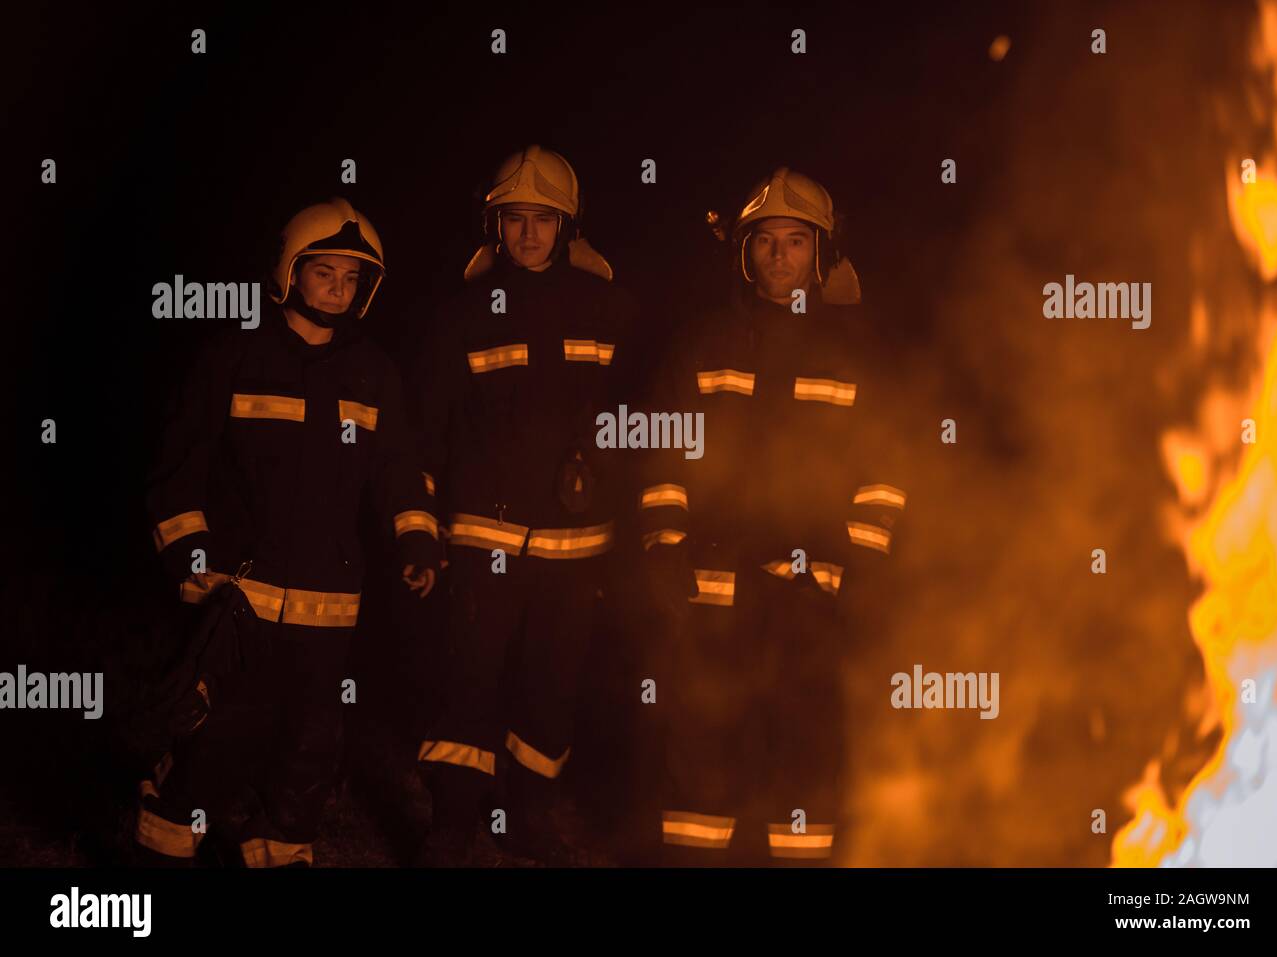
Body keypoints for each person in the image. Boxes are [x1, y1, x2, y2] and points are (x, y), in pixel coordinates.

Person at [136, 198, 438, 867]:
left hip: (329, 603)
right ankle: (160, 851)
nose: (337, 287)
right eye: (323, 271)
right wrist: (189, 552)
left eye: (351, 277)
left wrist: (416, 539)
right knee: (216, 735)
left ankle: (279, 852)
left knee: (310, 743)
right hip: (237, 595)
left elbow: (399, 471)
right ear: (289, 273)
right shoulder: (234, 355)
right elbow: (179, 464)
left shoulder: (375, 374)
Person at [638, 168, 910, 864]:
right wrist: (665, 546)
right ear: (743, 252)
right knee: (701, 756)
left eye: (795, 241)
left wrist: (860, 565)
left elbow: (883, 476)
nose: (780, 256)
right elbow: (664, 456)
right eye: (765, 242)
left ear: (820, 254)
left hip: (809, 594)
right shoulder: (702, 345)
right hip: (713, 591)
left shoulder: (856, 354)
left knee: (806, 759)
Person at [412, 146, 635, 864]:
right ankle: (451, 821)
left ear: (568, 226)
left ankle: (528, 814)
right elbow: (429, 425)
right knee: (466, 678)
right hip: (485, 535)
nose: (529, 235)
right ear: (494, 224)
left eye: (544, 220)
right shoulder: (466, 312)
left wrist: (615, 492)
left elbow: (635, 416)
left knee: (553, 686)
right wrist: (423, 525)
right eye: (515, 220)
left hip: (579, 543)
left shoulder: (611, 309)